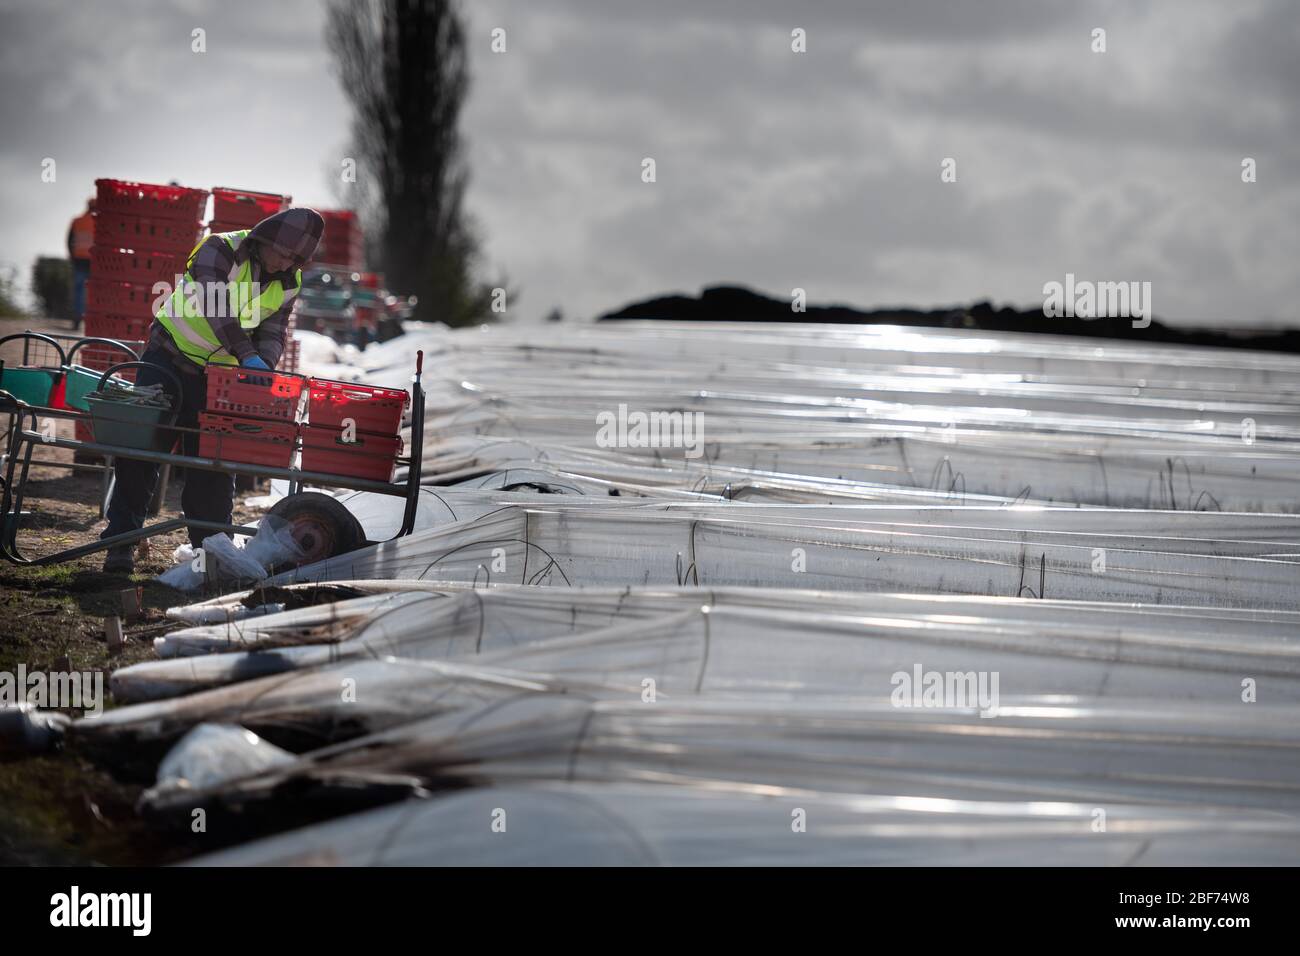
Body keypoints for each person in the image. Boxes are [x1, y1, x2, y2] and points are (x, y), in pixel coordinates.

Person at [99, 207, 324, 574]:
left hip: (221, 378)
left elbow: (274, 329)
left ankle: (210, 556)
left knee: (215, 466)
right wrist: (247, 355)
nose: (285, 263)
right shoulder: (219, 250)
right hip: (167, 358)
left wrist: (264, 365)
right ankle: (119, 543)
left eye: (295, 259)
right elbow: (215, 306)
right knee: (140, 453)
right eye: (282, 254)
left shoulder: (288, 281)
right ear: (264, 239)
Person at [67, 199, 95, 324]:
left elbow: (69, 241)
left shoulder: (77, 221)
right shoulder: (98, 222)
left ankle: (77, 315)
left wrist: (72, 256)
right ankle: (88, 317)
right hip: (94, 261)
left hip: (79, 259)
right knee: (92, 290)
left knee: (79, 289)